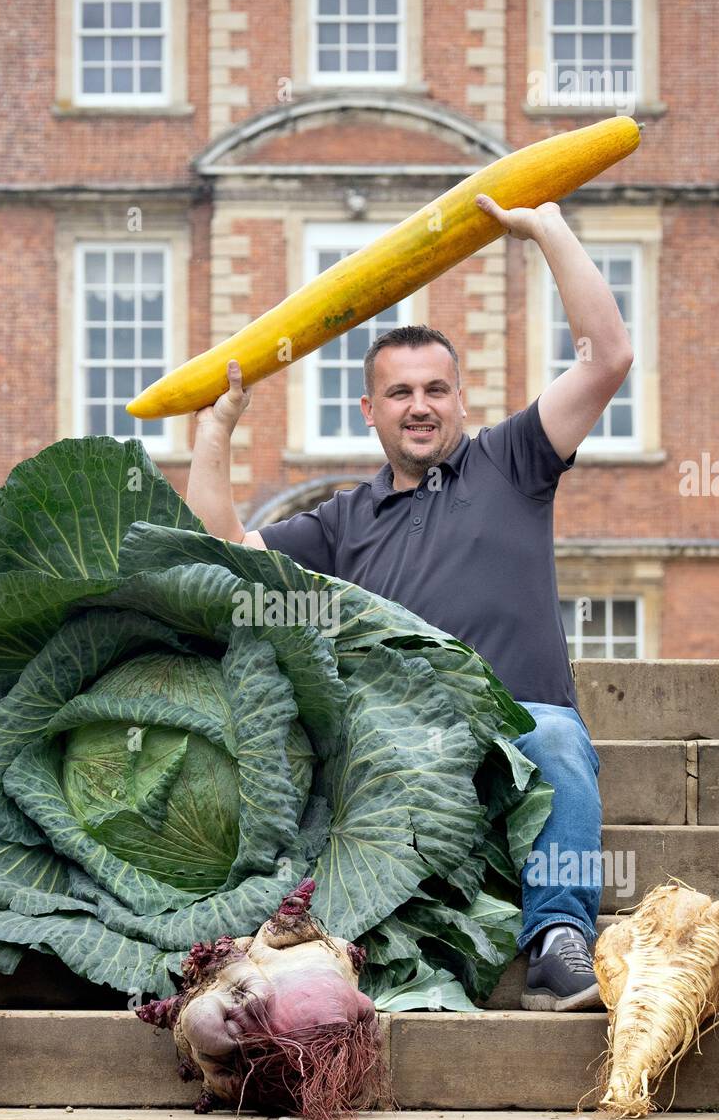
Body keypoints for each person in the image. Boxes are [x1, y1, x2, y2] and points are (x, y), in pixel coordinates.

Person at [186, 194, 634, 1010]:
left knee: (563, 737)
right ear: (369, 410)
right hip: (405, 746)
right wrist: (216, 429)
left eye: (435, 389)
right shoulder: (339, 523)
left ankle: (559, 942)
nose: (419, 405)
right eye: (398, 393)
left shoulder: (513, 460)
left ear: (460, 400)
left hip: (520, 722)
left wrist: (545, 227)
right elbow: (227, 544)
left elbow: (606, 355)